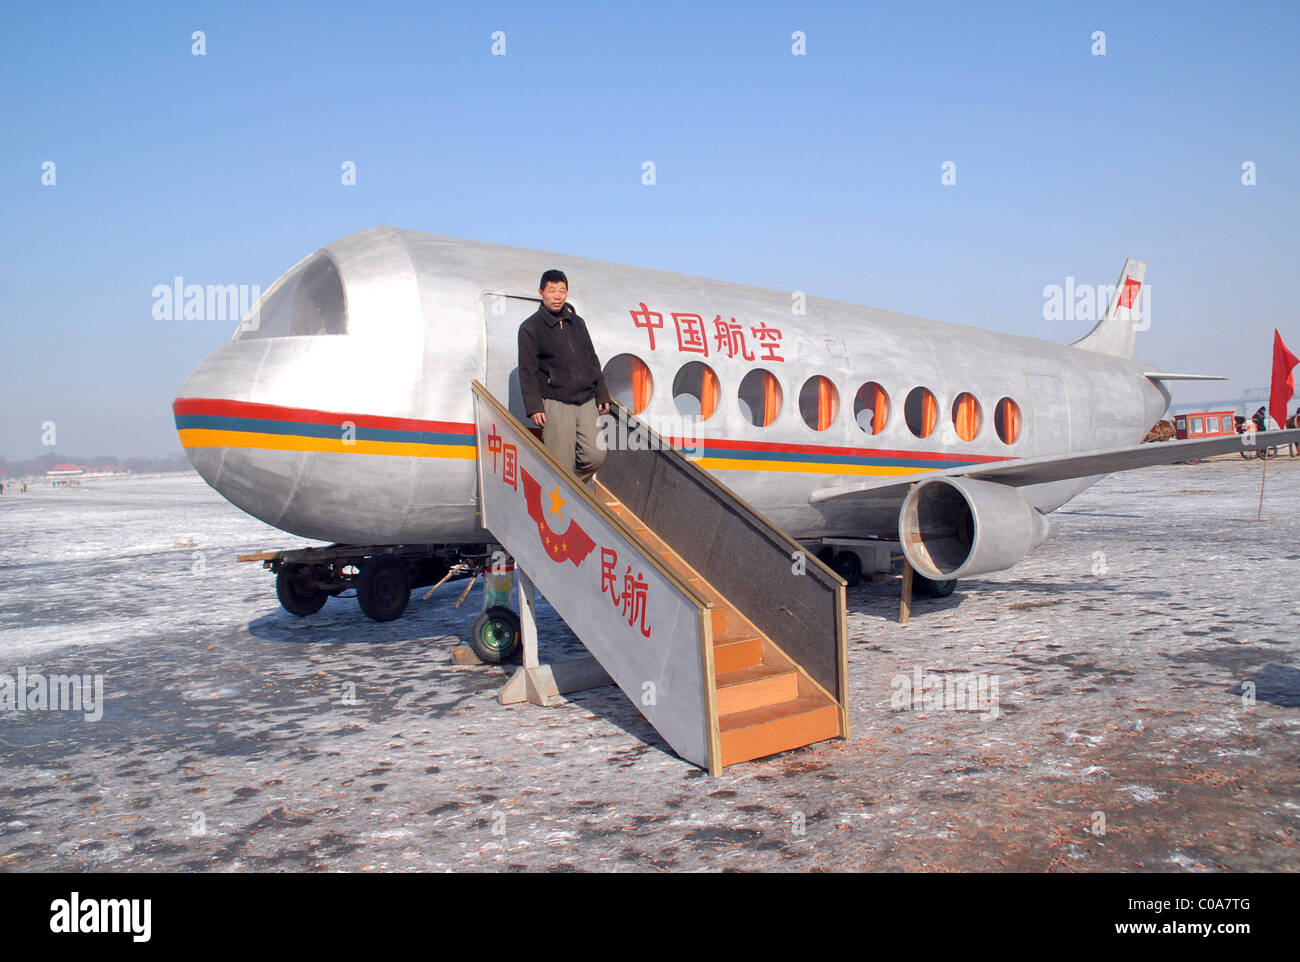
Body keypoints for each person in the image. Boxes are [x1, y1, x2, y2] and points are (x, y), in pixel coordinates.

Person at [517, 269, 611, 486]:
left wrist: (601, 391)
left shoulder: (577, 323)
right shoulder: (530, 328)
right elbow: (527, 370)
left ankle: (567, 488)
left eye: (562, 291)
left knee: (595, 455)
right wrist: (534, 406)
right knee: (560, 461)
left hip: (585, 399)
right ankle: (563, 492)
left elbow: (591, 358)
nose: (557, 296)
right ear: (541, 292)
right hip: (555, 401)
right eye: (552, 291)